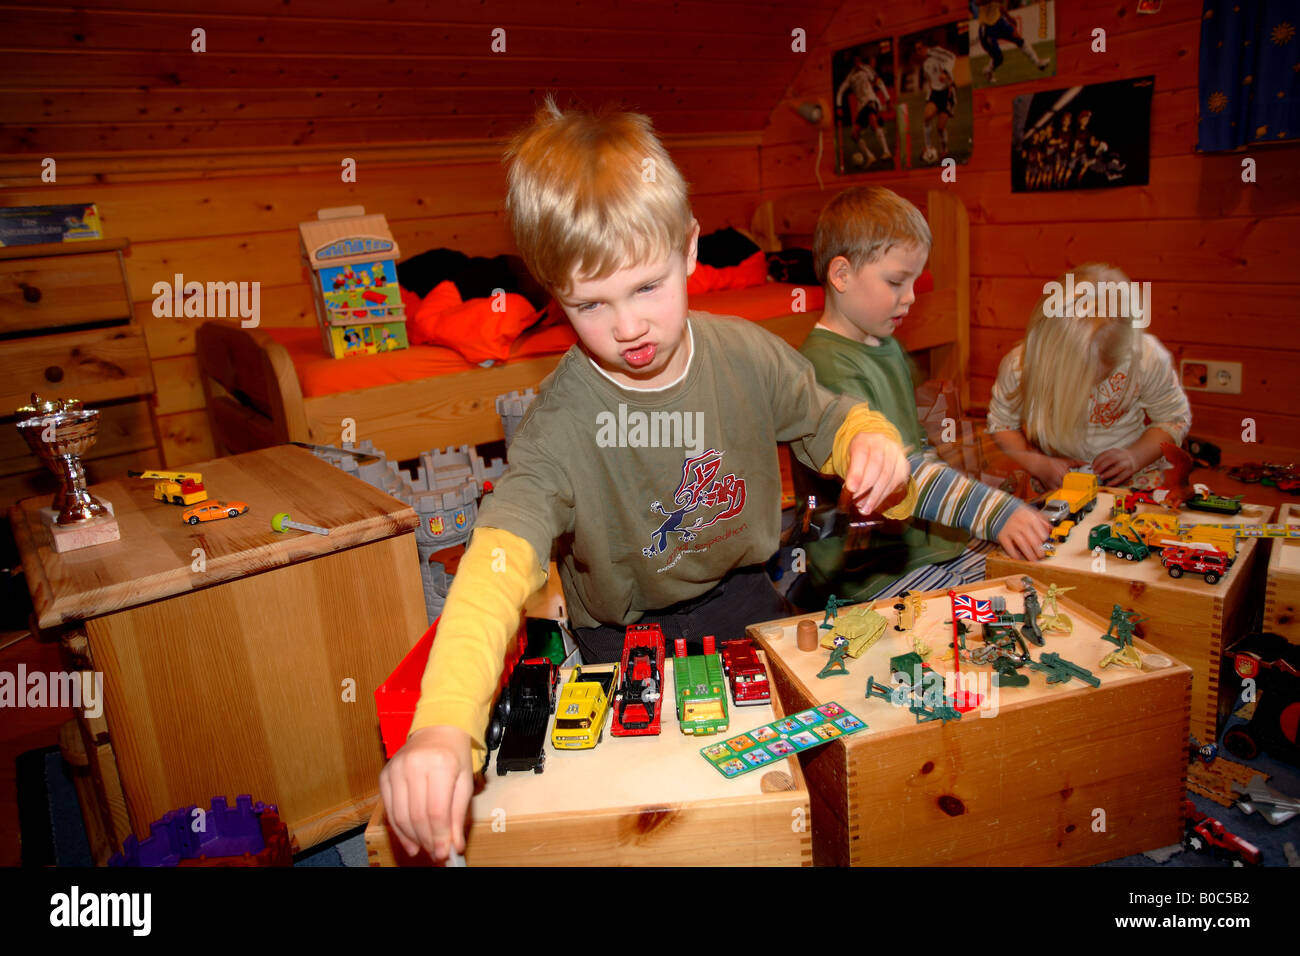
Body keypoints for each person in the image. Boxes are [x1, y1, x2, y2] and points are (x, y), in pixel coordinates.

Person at [380, 100, 917, 862]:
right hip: (621, 631)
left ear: (689, 248)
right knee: (641, 810)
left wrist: (871, 439)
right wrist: (441, 724)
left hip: (744, 594)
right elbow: (495, 565)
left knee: (784, 790)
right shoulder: (561, 425)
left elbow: (829, 415)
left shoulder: (748, 354)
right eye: (589, 304)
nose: (628, 326)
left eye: (646, 288)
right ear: (551, 292)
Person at [795, 186, 1050, 605]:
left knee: (1029, 580)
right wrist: (994, 512)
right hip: (868, 574)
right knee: (995, 616)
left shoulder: (885, 344)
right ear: (841, 276)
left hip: (924, 547)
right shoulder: (824, 366)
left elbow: (921, 445)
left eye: (914, 281)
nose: (911, 296)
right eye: (897, 281)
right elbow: (903, 469)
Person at [988, 262, 1192, 490]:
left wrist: (1134, 457)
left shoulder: (1147, 358)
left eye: (1097, 376)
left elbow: (1173, 419)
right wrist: (1039, 465)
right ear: (1046, 352)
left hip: (1131, 475)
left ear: (1123, 351)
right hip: (1054, 475)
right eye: (1074, 377)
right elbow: (1001, 424)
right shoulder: (1020, 366)